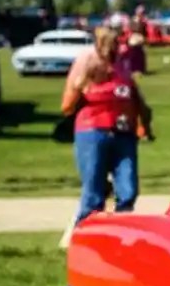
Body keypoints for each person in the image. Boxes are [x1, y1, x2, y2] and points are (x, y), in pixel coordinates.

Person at [60, 27, 154, 227]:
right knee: (94, 192)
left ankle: (118, 231)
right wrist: (81, 84)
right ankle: (84, 231)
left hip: (123, 132)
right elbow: (67, 107)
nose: (113, 48)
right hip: (92, 131)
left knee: (127, 190)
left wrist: (144, 124)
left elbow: (138, 100)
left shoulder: (122, 67)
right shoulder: (86, 63)